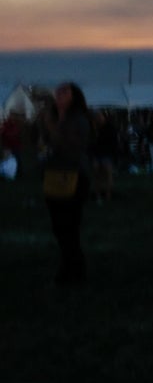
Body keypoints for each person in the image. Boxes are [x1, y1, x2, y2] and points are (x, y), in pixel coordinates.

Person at [39, 82, 93, 285]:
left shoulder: (78, 119)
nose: (59, 93)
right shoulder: (52, 117)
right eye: (58, 90)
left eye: (65, 91)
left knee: (69, 225)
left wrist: (53, 125)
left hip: (74, 177)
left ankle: (75, 272)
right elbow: (45, 142)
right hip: (53, 175)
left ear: (74, 96)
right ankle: (67, 267)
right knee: (58, 226)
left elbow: (69, 147)